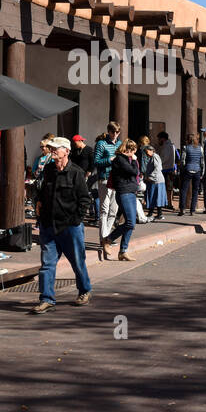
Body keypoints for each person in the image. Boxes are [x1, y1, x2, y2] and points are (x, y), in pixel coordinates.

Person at [29, 137, 93, 315]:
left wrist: (76, 220)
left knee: (77, 262)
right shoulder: (49, 169)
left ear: (66, 151)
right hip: (49, 225)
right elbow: (42, 191)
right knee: (47, 264)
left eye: (56, 148)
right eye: (52, 148)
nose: (53, 151)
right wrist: (39, 202)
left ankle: (84, 290)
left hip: (70, 226)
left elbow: (85, 199)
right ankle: (46, 299)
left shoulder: (76, 172)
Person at [101, 139, 140, 261]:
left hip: (131, 192)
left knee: (131, 224)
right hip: (124, 193)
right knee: (130, 223)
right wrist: (134, 160)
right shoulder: (120, 159)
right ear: (128, 149)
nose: (134, 153)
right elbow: (133, 171)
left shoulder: (126, 159)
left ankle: (123, 251)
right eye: (133, 151)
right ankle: (108, 239)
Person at [94, 122, 122, 239]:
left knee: (113, 211)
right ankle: (103, 238)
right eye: (112, 132)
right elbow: (96, 162)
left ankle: (108, 237)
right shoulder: (101, 143)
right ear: (108, 131)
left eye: (117, 132)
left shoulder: (120, 143)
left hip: (117, 179)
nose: (115, 134)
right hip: (105, 179)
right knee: (104, 211)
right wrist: (110, 159)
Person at [179, 133, 203, 215]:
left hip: (188, 169)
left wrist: (182, 168)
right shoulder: (200, 148)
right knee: (195, 191)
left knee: (183, 190)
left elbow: (182, 160)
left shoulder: (186, 148)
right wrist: (202, 172)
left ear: (188, 140)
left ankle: (182, 209)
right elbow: (202, 162)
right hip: (197, 170)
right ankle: (192, 210)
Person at [141, 142, 167, 220]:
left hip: (156, 180)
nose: (146, 154)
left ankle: (155, 213)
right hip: (155, 180)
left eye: (147, 152)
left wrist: (150, 177)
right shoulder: (153, 157)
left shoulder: (155, 156)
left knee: (154, 196)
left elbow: (158, 168)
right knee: (154, 196)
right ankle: (156, 213)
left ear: (151, 150)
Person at [157, 131, 178, 208]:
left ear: (162, 139)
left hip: (165, 169)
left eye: (159, 139)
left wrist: (157, 162)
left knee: (166, 188)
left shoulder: (166, 146)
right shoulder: (172, 145)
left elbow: (163, 158)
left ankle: (168, 203)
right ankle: (169, 202)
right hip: (171, 168)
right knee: (170, 188)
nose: (158, 141)